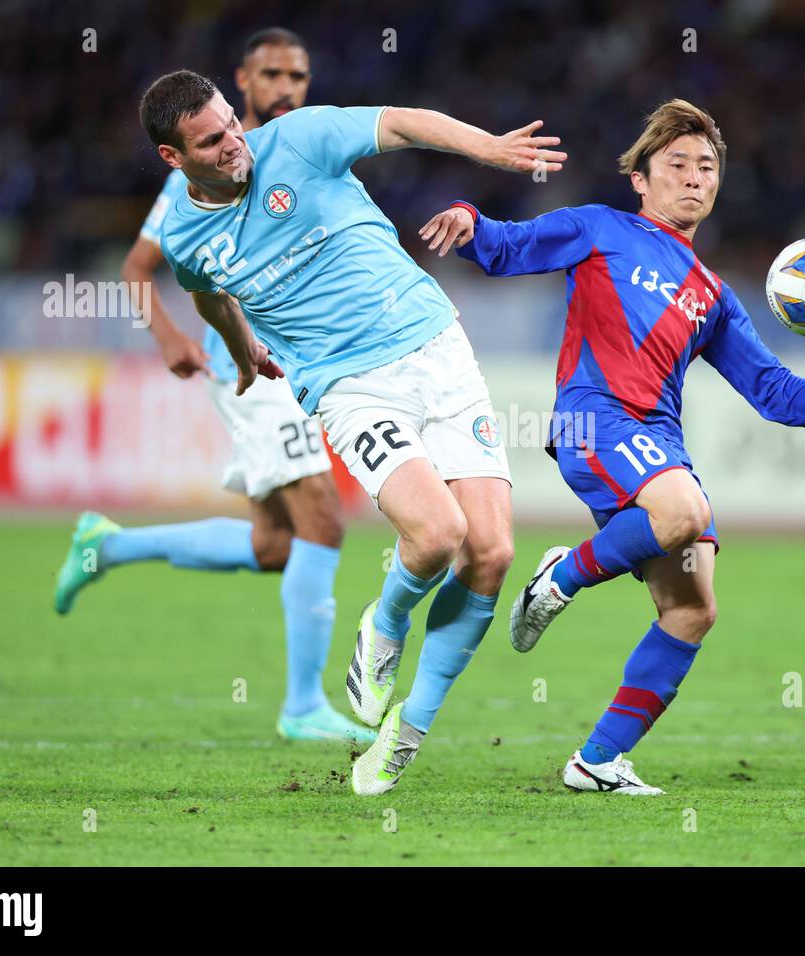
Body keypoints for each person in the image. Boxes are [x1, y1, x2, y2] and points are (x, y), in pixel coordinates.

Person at [419, 99, 805, 794]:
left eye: (707, 167)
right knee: (682, 509)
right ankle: (560, 577)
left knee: (693, 608)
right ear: (640, 179)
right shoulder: (598, 228)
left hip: (655, 442)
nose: (694, 178)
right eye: (676, 164)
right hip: (594, 422)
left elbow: (778, 394)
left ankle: (597, 760)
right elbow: (504, 247)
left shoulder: (714, 296)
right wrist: (469, 220)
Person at [137, 67, 566, 794]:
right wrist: (245, 355)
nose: (235, 144)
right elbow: (208, 299)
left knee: (490, 553)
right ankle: (385, 621)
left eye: (231, 127)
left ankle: (405, 732)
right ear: (173, 158)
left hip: (437, 347)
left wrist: (487, 149)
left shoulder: (297, 139)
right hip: (349, 384)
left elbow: (400, 122)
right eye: (211, 142)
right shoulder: (183, 233)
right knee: (436, 536)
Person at [54, 29, 371, 744]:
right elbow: (141, 264)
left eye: (299, 73)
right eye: (272, 75)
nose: (287, 86)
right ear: (242, 82)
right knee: (322, 520)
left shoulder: (298, 152)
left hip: (300, 361)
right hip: (249, 369)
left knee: (276, 546)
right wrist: (168, 335)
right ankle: (301, 708)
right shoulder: (201, 170)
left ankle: (106, 546)